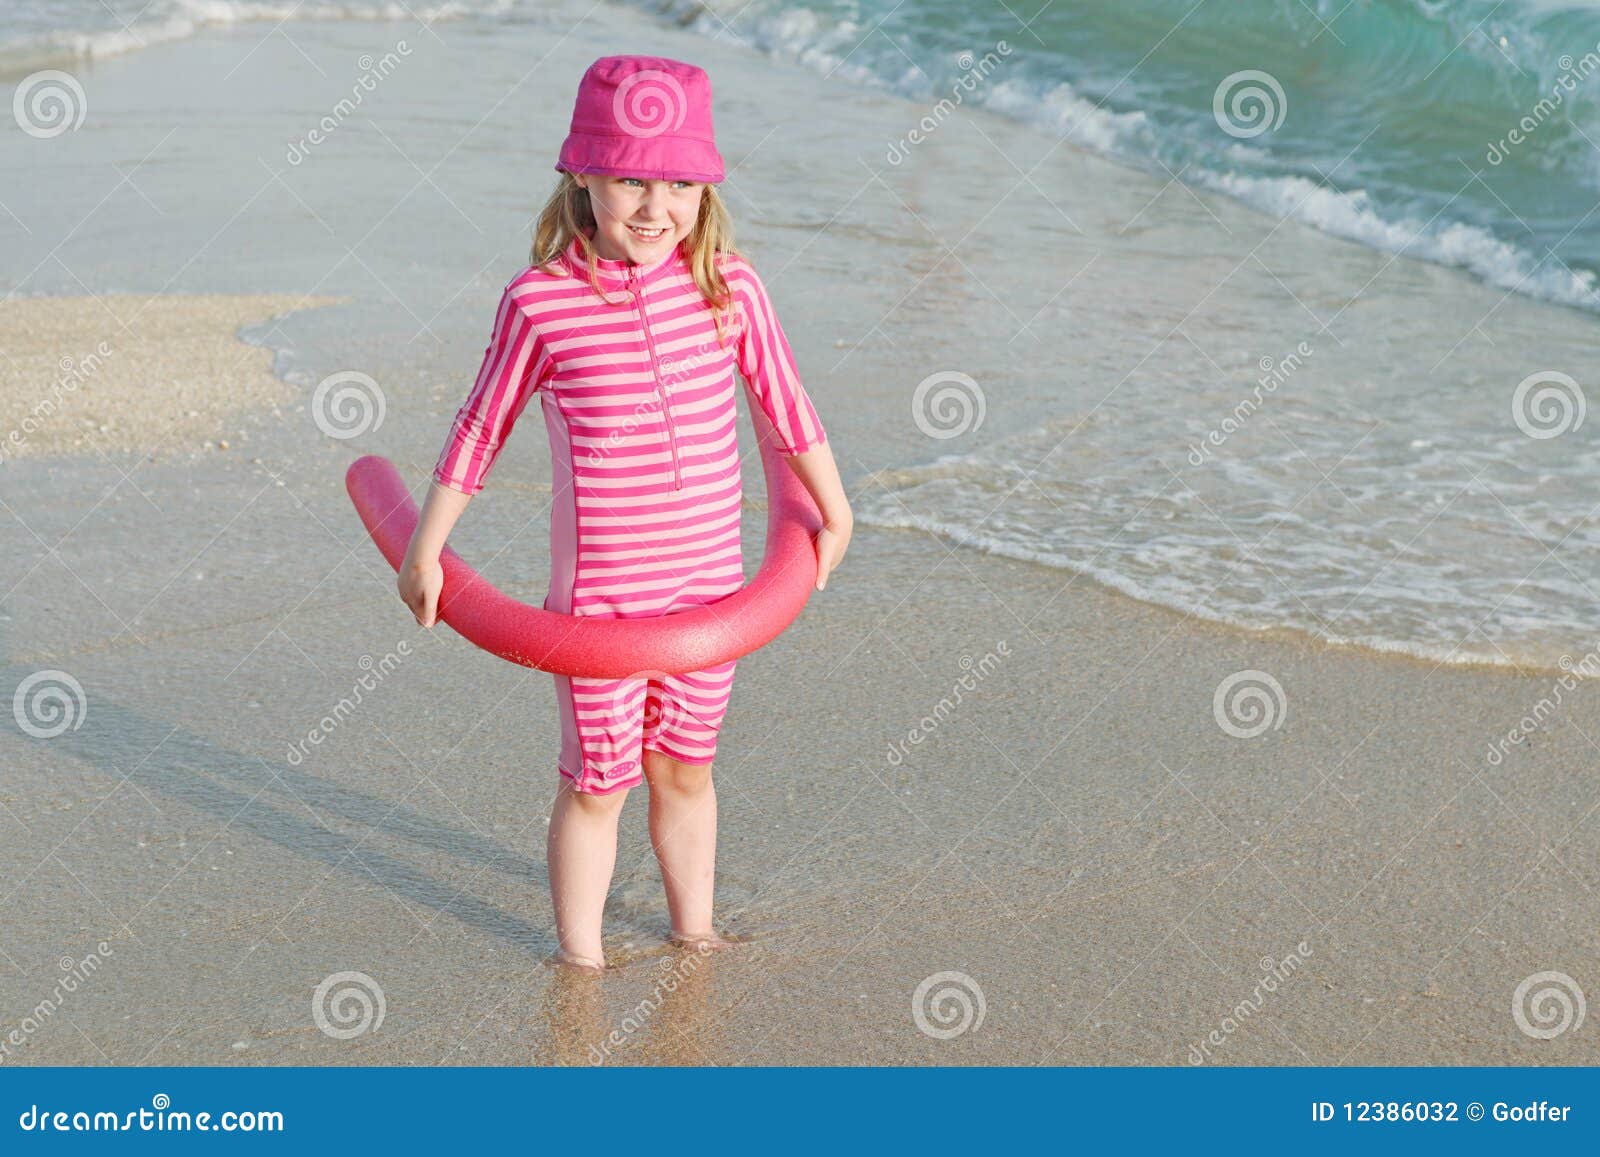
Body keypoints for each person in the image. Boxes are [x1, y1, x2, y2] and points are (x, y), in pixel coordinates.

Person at [396, 55, 852, 971]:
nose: (655, 205)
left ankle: (695, 930)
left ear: (706, 188)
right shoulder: (542, 303)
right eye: (631, 177)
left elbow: (787, 406)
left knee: (687, 768)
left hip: (710, 596)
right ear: (583, 177)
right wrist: (426, 550)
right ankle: (582, 960)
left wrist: (837, 514)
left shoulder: (731, 290)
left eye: (680, 180)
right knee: (599, 781)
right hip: (602, 603)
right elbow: (482, 423)